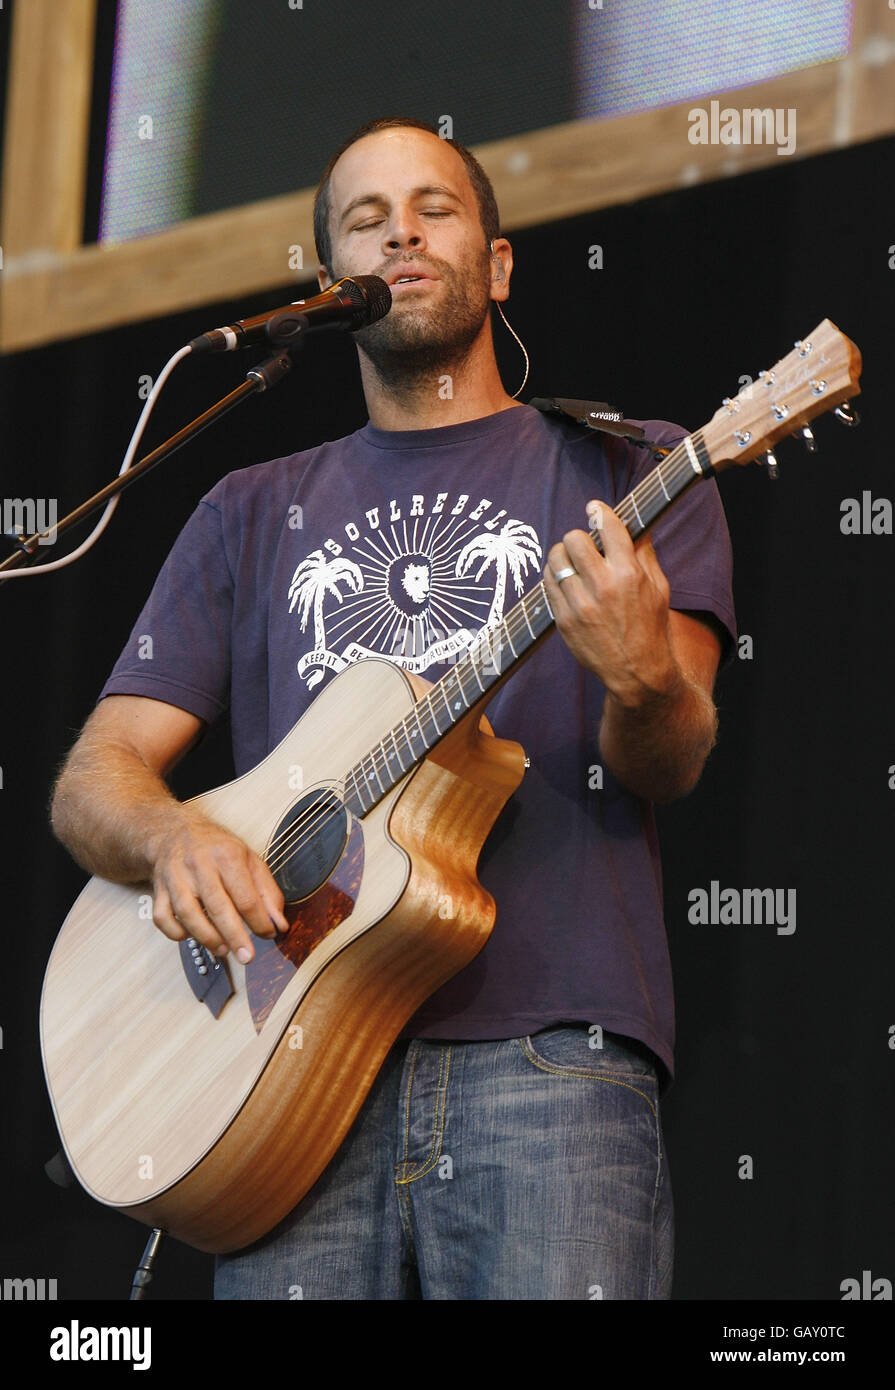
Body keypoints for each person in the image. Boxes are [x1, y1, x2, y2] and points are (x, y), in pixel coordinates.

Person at [50, 116, 736, 1300]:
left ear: (498, 262)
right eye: (366, 222)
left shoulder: (629, 471)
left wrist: (641, 675)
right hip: (278, 1071)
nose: (400, 233)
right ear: (335, 286)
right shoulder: (250, 507)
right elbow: (97, 773)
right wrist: (173, 837)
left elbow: (667, 760)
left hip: (548, 1062)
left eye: (434, 208)